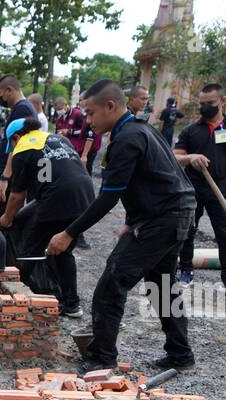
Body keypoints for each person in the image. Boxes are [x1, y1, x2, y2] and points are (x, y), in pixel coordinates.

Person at [46, 80, 196, 375]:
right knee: (162, 285)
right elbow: (150, 179)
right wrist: (132, 221)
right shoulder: (140, 129)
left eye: (90, 113)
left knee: (112, 281)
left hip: (163, 218)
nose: (88, 121)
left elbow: (108, 198)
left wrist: (68, 233)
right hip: (173, 214)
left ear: (110, 106)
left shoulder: (127, 139)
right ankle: (180, 353)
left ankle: (102, 357)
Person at [0, 118, 95, 318]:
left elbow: (17, 195)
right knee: (63, 250)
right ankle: (72, 305)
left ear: (16, 137)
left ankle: (16, 298)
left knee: (29, 249)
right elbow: (46, 179)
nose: (12, 148)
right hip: (84, 197)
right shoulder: (55, 138)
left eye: (12, 144)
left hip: (57, 200)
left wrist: (7, 218)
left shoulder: (22, 148)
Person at [173, 83, 226, 295]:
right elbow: (174, 156)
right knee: (187, 231)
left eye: (209, 103)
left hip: (220, 187)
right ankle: (185, 270)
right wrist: (190, 157)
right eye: (201, 104)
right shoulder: (191, 130)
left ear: (222, 100)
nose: (205, 107)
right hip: (192, 187)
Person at [0, 75, 36, 218]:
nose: (0, 98)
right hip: (10, 172)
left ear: (9, 90)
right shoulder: (21, 108)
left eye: (0, 94)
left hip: (11, 174)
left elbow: (17, 146)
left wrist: (5, 178)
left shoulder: (22, 110)